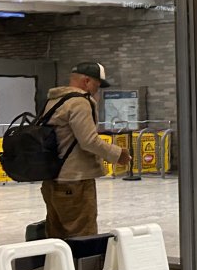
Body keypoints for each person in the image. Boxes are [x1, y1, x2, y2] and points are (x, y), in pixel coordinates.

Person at [40, 63, 130, 239]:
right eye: (97, 85)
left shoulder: (54, 100)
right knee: (82, 236)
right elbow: (88, 140)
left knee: (56, 237)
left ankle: (60, 267)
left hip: (52, 180)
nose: (97, 90)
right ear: (87, 81)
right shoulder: (80, 102)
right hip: (75, 182)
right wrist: (118, 154)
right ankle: (81, 268)